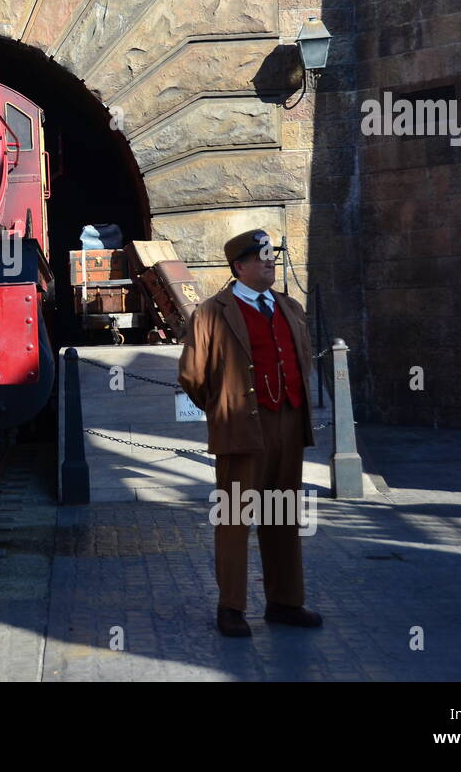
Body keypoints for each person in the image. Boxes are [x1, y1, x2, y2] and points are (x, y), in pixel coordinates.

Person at [177, 229, 322, 637]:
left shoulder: (291, 307)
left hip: (289, 425)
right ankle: (232, 609)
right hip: (241, 429)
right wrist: (225, 409)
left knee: (283, 516)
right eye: (261, 257)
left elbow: (303, 360)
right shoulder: (211, 312)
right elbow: (192, 375)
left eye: (272, 256)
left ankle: (285, 602)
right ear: (239, 267)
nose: (270, 262)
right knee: (235, 520)